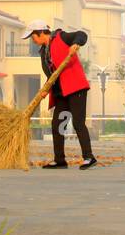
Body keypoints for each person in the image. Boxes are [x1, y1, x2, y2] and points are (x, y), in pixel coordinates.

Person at [24, 20, 98, 170]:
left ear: (40, 33)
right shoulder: (43, 52)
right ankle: (60, 160)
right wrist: (46, 88)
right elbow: (52, 73)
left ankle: (89, 157)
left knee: (78, 123)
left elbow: (81, 35)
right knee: (57, 124)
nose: (33, 41)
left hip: (75, 88)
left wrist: (75, 44)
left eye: (33, 37)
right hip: (61, 93)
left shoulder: (61, 37)